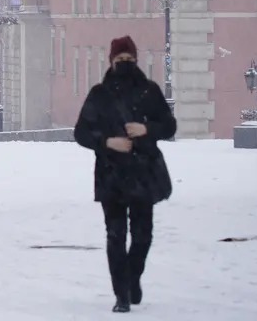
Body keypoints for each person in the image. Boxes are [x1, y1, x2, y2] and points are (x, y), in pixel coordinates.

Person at [74, 36, 176, 314]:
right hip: (111, 176)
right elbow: (81, 132)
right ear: (111, 62)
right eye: (120, 60)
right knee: (115, 236)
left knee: (143, 236)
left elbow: (169, 126)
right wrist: (108, 141)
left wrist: (147, 129)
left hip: (143, 172)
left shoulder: (149, 91)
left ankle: (133, 278)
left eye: (129, 59)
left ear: (136, 59)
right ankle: (121, 294)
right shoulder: (99, 94)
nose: (125, 64)